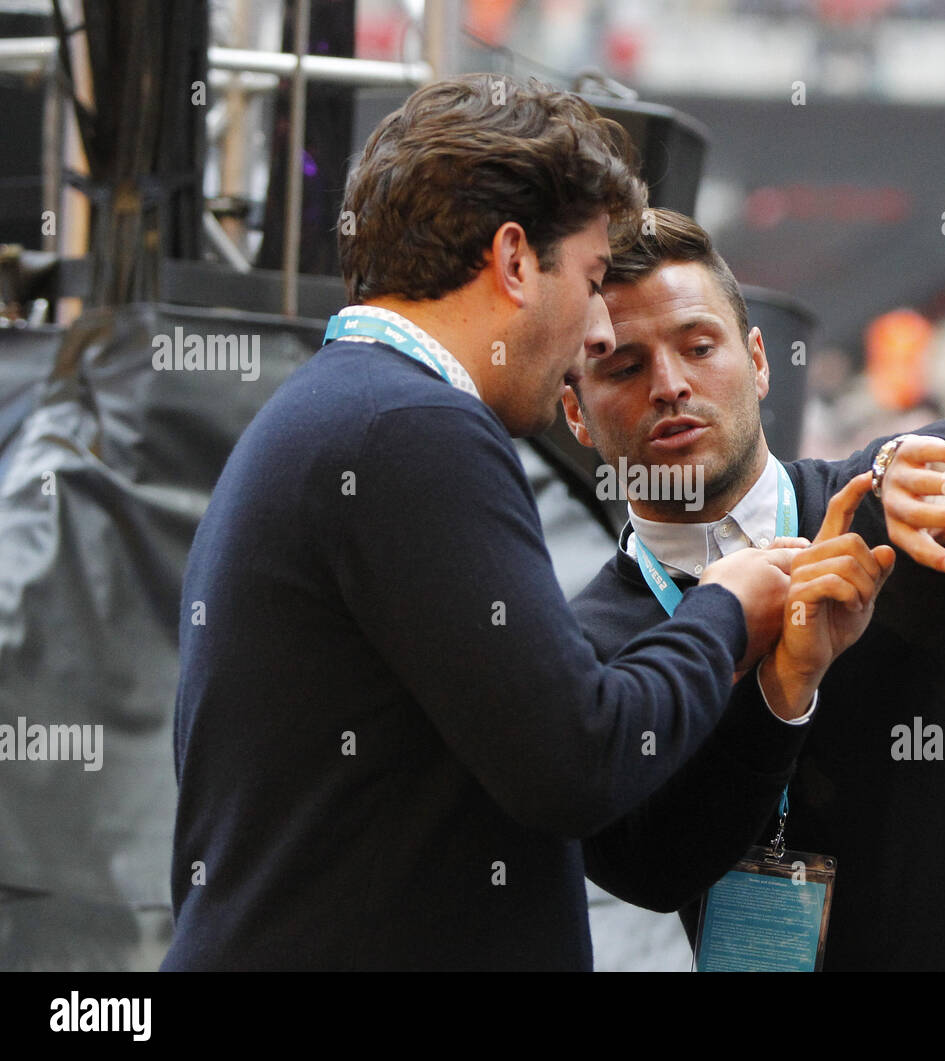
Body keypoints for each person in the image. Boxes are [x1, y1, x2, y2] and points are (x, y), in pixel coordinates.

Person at [162, 77, 851, 971]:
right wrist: (724, 612)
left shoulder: (350, 411)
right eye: (595, 280)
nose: (599, 330)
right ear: (516, 260)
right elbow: (579, 758)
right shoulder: (411, 429)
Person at [564, 209, 945, 970]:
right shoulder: (588, 644)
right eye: (624, 366)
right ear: (574, 410)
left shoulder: (893, 502)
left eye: (699, 347)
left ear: (759, 362)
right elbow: (648, 866)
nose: (670, 384)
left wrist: (918, 456)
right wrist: (779, 690)